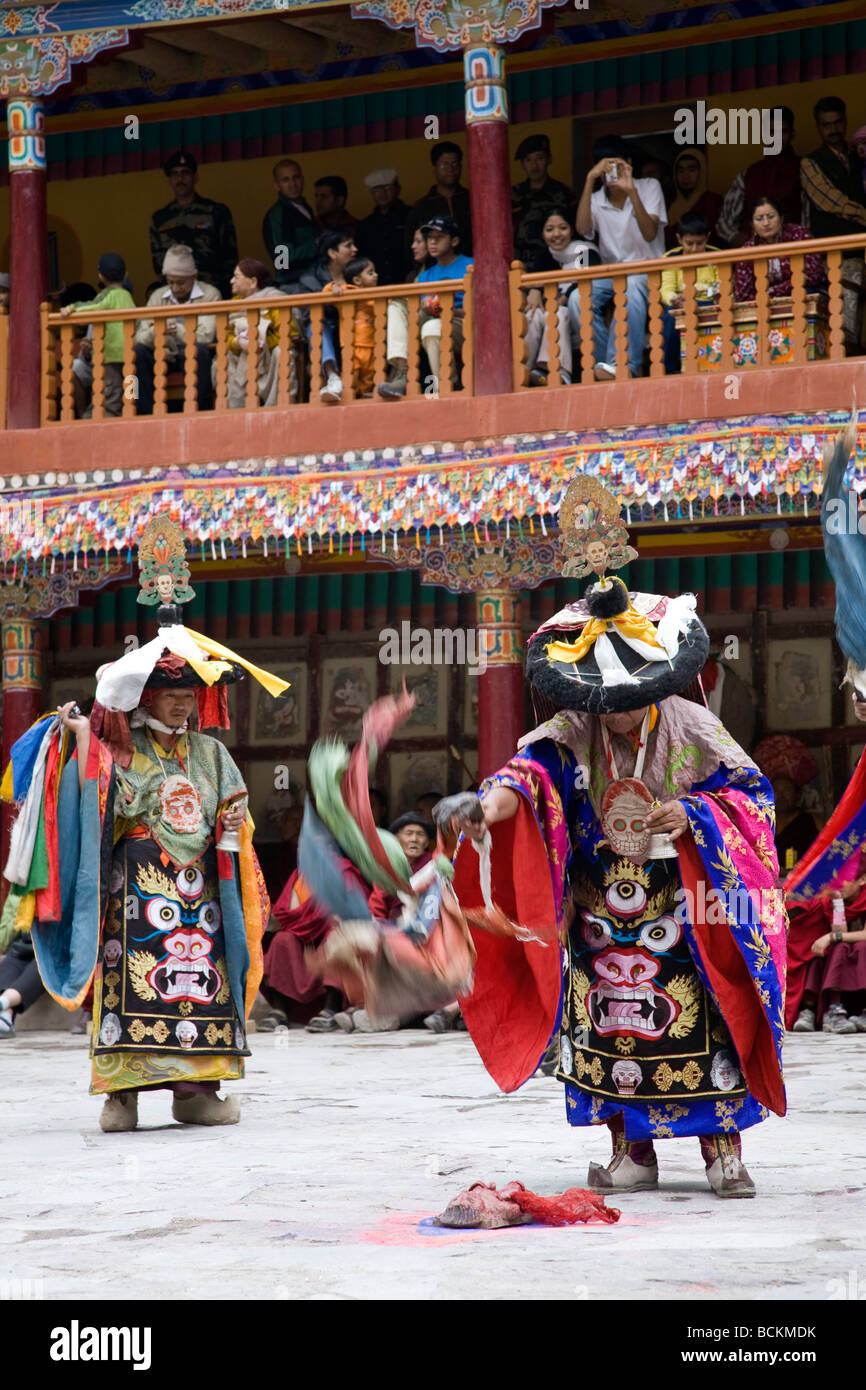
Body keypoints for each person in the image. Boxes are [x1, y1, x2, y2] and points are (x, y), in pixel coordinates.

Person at [438, 476, 787, 1198]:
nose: (621, 716)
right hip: (602, 909)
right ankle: (633, 1151)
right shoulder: (577, 724)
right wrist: (485, 805)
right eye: (610, 705)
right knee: (613, 1025)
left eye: (633, 703)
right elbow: (527, 774)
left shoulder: (692, 725)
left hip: (683, 901)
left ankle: (724, 1152)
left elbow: (753, 797)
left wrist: (694, 815)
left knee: (708, 1014)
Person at [0, 516, 287, 1130]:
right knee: (131, 977)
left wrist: (232, 835)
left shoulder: (210, 752)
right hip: (135, 888)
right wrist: (78, 742)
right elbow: (87, 807)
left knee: (200, 978)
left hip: (203, 891)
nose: (181, 701)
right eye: (168, 691)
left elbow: (236, 815)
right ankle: (122, 1094)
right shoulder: (115, 750)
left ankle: (196, 1091)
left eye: (189, 692)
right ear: (144, 697)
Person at [575, 135, 667, 380]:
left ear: (628, 163)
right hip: (612, 274)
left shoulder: (649, 186)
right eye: (606, 168)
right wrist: (589, 180)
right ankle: (604, 364)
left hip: (650, 272)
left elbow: (649, 233)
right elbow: (583, 230)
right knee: (577, 298)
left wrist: (631, 191)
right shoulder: (595, 199)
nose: (612, 173)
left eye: (617, 166)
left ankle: (622, 364)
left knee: (633, 286)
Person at [800, 96, 866, 349]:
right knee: (843, 317)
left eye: (838, 123)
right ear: (818, 127)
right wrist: (862, 214)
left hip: (861, 248)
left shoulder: (859, 154)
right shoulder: (810, 163)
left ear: (846, 122)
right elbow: (830, 200)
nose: (833, 129)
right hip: (835, 253)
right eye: (827, 125)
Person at [134, 245, 221, 415]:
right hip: (162, 352)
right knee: (137, 353)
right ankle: (143, 412)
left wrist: (176, 329)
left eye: (181, 282)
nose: (175, 288)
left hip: (189, 351)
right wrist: (156, 331)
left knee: (200, 351)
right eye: (170, 282)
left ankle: (201, 409)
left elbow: (206, 336)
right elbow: (139, 336)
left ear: (194, 277)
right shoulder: (158, 296)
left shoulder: (210, 294)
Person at [522, 206, 599, 386]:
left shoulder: (584, 251)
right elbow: (534, 283)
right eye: (549, 230)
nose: (556, 234)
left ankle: (558, 372)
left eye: (562, 228)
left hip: (580, 315)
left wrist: (562, 299)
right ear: (542, 234)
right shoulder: (545, 257)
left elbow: (583, 280)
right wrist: (534, 291)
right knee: (532, 315)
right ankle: (524, 371)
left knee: (556, 314)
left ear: (571, 230)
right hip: (551, 312)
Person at [149, 149, 237, 299]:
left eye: (185, 172)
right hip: (176, 294)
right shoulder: (160, 218)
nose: (180, 178)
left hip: (211, 291)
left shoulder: (215, 211)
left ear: (195, 177)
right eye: (174, 174)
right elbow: (158, 263)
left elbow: (230, 257)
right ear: (169, 180)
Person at [58, 254, 136, 418]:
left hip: (111, 356)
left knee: (110, 395)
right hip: (130, 354)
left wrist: (72, 308)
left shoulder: (109, 295)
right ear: (126, 274)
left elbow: (93, 306)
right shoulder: (127, 296)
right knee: (131, 391)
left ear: (100, 276)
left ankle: (95, 423)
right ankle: (131, 417)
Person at [716, 107, 805, 247]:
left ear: (792, 134)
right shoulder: (749, 174)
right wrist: (746, 243)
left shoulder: (804, 169)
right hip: (756, 258)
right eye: (771, 132)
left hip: (794, 252)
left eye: (783, 132)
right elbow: (723, 224)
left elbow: (809, 218)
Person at [219, 257, 296, 408]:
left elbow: (288, 334)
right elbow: (226, 337)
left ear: (253, 282)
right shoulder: (234, 305)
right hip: (243, 357)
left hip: (268, 358)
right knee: (220, 362)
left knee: (282, 353)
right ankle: (234, 411)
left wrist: (261, 342)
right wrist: (239, 342)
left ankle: (277, 406)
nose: (231, 281)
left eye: (236, 276)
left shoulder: (274, 299)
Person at [298, 228, 358, 404]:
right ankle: (332, 376)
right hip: (328, 326)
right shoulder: (309, 279)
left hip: (354, 325)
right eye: (348, 246)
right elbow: (308, 313)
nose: (355, 249)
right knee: (315, 324)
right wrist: (328, 296)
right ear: (332, 252)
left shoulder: (357, 272)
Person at [415, 215, 472, 392]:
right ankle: (444, 385)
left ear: (454, 241)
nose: (432, 242)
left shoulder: (471, 265)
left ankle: (445, 387)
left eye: (438, 238)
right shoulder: (425, 276)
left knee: (432, 327)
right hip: (437, 323)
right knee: (428, 325)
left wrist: (452, 311)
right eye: (429, 238)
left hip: (466, 324)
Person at [732, 196, 827, 302]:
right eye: (759, 219)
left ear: (781, 218)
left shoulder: (799, 234)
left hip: (804, 294)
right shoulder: (748, 250)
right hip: (765, 304)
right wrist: (786, 286)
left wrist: (772, 291)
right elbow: (743, 295)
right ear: (752, 224)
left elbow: (813, 275)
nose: (766, 223)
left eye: (771, 217)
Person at [659, 213, 721, 373]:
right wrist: (674, 299)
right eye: (689, 243)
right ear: (679, 239)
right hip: (680, 306)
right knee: (669, 319)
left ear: (707, 238)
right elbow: (666, 289)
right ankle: (671, 370)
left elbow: (722, 285)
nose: (694, 249)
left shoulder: (717, 255)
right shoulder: (670, 258)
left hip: (708, 303)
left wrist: (712, 293)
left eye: (699, 243)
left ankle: (716, 367)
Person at [376, 226, 431, 399]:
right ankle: (400, 372)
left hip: (437, 322)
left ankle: (399, 376)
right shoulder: (413, 275)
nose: (413, 246)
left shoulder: (442, 270)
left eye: (419, 242)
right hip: (415, 328)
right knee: (395, 307)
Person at [511, 133, 577, 272]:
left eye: (539, 158)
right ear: (522, 164)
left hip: (557, 260)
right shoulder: (513, 194)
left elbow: (579, 232)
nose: (534, 165)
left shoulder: (564, 192)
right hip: (521, 262)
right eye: (528, 160)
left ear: (549, 160)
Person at [262, 158, 319, 292]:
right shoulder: (277, 214)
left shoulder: (304, 207)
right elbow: (282, 260)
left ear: (303, 179)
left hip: (314, 279)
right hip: (294, 284)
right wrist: (316, 245)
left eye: (296, 177)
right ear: (277, 185)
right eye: (285, 180)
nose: (293, 184)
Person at [407, 142, 472, 255]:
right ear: (435, 168)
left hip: (472, 266)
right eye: (444, 165)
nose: (451, 169)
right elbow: (411, 245)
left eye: (455, 164)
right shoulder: (422, 206)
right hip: (436, 268)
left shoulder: (473, 199)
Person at [356, 169, 411, 286]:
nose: (382, 193)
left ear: (398, 189)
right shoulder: (365, 225)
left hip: (408, 282)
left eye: (387, 188)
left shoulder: (411, 216)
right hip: (377, 286)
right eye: (377, 189)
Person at [664, 147, 722, 249]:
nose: (686, 176)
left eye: (692, 170)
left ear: (702, 171)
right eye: (681, 171)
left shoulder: (712, 200)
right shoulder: (668, 203)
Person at [342, 255, 379, 397]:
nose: (376, 275)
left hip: (372, 346)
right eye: (370, 273)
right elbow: (327, 291)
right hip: (352, 346)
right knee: (351, 373)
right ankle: (349, 397)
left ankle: (365, 395)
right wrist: (334, 288)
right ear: (357, 280)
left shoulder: (377, 297)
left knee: (369, 375)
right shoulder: (347, 293)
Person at [0, 933, 45, 1036]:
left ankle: (4, 1003)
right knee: (11, 962)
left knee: (43, 968)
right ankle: (5, 1015)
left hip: (58, 946)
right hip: (27, 941)